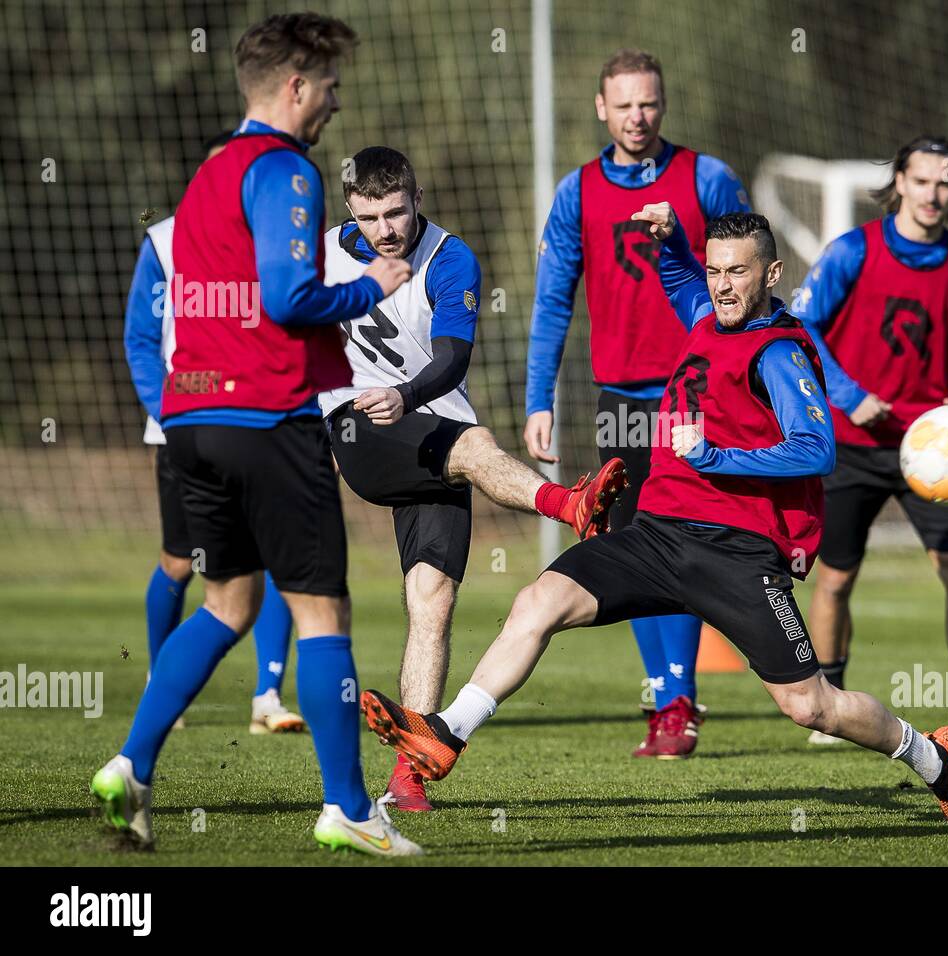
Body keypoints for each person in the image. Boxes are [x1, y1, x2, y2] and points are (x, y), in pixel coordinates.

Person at [359, 206, 948, 824]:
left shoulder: (779, 355)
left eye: (738, 272)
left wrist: (717, 455)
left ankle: (935, 759)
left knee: (810, 706)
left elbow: (815, 450)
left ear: (773, 274)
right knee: (538, 600)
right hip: (657, 536)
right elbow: (683, 281)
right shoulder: (707, 314)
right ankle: (447, 735)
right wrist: (672, 242)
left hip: (736, 553)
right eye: (715, 270)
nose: (722, 284)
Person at [92, 12, 423, 856]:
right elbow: (284, 298)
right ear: (295, 86)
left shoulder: (207, 174)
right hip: (266, 418)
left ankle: (130, 765)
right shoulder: (287, 169)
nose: (337, 103)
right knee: (324, 615)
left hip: (192, 421)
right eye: (331, 86)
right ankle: (349, 808)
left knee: (228, 603)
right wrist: (372, 287)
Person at [319, 146, 627, 811]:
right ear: (350, 209)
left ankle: (407, 777)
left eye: (396, 212)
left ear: (418, 197)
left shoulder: (449, 259)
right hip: (359, 429)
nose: (386, 230)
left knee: (431, 604)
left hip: (432, 431)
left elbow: (454, 360)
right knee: (475, 444)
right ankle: (566, 502)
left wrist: (408, 394)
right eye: (370, 216)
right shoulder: (319, 255)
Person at [523, 48, 752, 758]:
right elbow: (553, 301)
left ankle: (680, 699)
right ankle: (665, 698)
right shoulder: (577, 192)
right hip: (618, 398)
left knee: (683, 543)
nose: (637, 116)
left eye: (648, 103)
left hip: (694, 393)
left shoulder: (706, 178)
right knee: (627, 546)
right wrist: (538, 399)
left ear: (664, 104)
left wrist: (680, 245)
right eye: (623, 105)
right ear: (600, 108)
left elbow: (746, 276)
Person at [792, 135, 948, 745]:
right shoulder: (853, 252)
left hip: (934, 450)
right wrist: (847, 396)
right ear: (899, 181)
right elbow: (803, 327)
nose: (933, 193)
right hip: (848, 444)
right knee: (837, 578)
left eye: (945, 183)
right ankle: (829, 707)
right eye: (921, 181)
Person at [123, 131, 303, 736]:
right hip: (185, 429)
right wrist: (167, 409)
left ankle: (268, 695)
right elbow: (142, 342)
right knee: (181, 561)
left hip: (264, 421)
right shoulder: (165, 241)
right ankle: (160, 683)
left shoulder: (275, 236)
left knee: (280, 560)